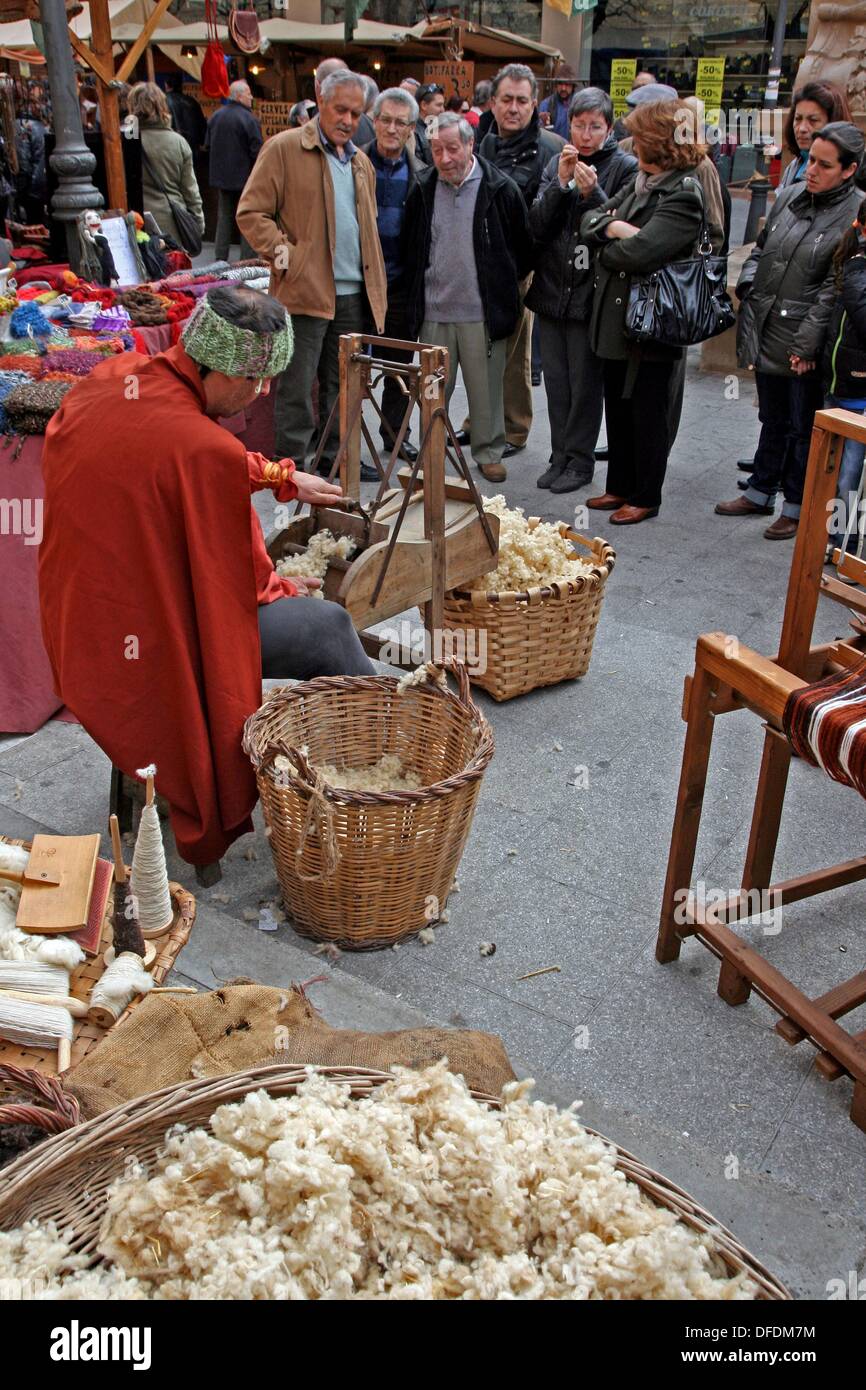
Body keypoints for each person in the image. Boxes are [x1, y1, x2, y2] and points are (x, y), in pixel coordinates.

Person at [39, 284, 373, 868]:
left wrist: (279, 476)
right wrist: (286, 587)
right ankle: (378, 768)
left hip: (79, 636)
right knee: (329, 627)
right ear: (216, 368)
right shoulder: (202, 449)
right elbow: (240, 587)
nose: (260, 392)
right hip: (156, 647)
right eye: (253, 380)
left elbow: (167, 448)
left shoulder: (112, 380)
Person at [715, 122, 866, 539]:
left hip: (807, 337)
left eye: (824, 164)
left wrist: (807, 344)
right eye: (811, 159)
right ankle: (761, 490)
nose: (811, 170)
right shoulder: (793, 194)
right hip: (767, 321)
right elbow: (761, 247)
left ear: (849, 170)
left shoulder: (856, 211)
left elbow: (836, 285)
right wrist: (747, 282)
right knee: (772, 416)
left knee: (804, 426)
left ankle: (796, 507)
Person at [237, 70, 386, 481]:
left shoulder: (360, 162)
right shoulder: (284, 148)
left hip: (354, 293)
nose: (349, 119)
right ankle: (291, 468)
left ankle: (335, 459)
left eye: (357, 113)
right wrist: (289, 257)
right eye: (341, 109)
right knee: (298, 387)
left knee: (343, 385)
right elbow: (251, 213)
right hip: (305, 290)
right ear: (320, 101)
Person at [580, 99, 706, 525]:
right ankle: (619, 485)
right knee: (617, 401)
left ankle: (645, 494)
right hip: (621, 318)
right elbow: (591, 220)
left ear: (660, 142)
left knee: (648, 409)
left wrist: (610, 241)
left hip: (655, 321)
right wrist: (614, 227)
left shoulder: (684, 191)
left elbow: (641, 253)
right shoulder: (641, 179)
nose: (631, 143)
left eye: (640, 137)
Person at [403, 112, 533, 484]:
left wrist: (502, 290)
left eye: (453, 149)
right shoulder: (423, 186)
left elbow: (523, 250)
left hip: (482, 312)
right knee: (432, 388)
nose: (444, 159)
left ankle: (488, 451)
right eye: (437, 149)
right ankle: (431, 451)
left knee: (486, 388)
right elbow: (411, 248)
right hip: (434, 310)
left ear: (471, 145)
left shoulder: (500, 188)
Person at [528, 88, 636, 494]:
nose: (586, 134)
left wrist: (594, 194)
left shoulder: (623, 167)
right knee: (556, 381)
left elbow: (621, 228)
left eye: (595, 126)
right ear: (566, 124)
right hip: (553, 287)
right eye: (579, 125)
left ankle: (580, 459)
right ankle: (560, 455)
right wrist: (560, 184)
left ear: (609, 129)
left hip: (593, 293)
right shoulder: (558, 162)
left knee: (585, 384)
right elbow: (537, 224)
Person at [463, 63, 563, 461]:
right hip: (483, 265)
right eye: (507, 99)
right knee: (479, 349)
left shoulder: (551, 149)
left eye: (522, 101)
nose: (514, 108)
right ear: (493, 102)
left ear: (534, 104)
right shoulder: (484, 143)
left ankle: (515, 428)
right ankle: (479, 422)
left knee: (513, 353)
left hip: (523, 267)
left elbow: (551, 214)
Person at [359, 86, 421, 462]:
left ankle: (396, 435)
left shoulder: (420, 174)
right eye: (386, 120)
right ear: (375, 121)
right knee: (349, 366)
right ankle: (343, 440)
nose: (392, 128)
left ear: (412, 128)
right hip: (358, 283)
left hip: (400, 283)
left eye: (401, 122)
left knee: (399, 367)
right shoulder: (354, 162)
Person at [823, 197, 866, 557]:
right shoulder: (850, 259)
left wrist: (856, 268)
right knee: (831, 471)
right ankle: (828, 536)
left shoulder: (856, 268)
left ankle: (845, 542)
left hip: (860, 391)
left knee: (850, 476)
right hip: (837, 382)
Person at [128, 82, 205, 253]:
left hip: (134, 223)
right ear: (162, 105)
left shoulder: (124, 142)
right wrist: (197, 225)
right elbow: (191, 191)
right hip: (171, 224)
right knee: (174, 276)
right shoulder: (178, 142)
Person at [205, 80, 262, 263]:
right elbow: (257, 151)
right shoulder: (250, 119)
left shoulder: (215, 116)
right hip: (246, 178)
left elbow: (207, 145)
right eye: (248, 93)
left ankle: (220, 256)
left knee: (224, 217)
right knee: (247, 217)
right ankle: (247, 257)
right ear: (239, 96)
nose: (251, 97)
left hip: (222, 178)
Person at [778, 81, 851, 189]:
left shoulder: (845, 175)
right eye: (798, 119)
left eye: (813, 120)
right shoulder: (794, 165)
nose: (802, 128)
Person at [165, 72, 207, 154]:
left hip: (173, 148)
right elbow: (202, 125)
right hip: (192, 147)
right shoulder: (192, 101)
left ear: (166, 85)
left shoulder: (163, 101)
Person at [612, 71, 661, 140]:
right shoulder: (623, 122)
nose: (641, 91)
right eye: (637, 88)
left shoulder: (665, 118)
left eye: (645, 87)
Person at [539, 63, 579, 140]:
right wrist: (542, 124)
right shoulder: (546, 104)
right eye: (560, 84)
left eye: (567, 84)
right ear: (556, 85)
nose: (563, 88)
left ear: (572, 86)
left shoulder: (580, 104)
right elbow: (539, 134)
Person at [414, 83, 445, 166]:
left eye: (443, 105)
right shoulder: (413, 131)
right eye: (439, 105)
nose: (443, 110)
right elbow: (417, 166)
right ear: (423, 105)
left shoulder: (433, 127)